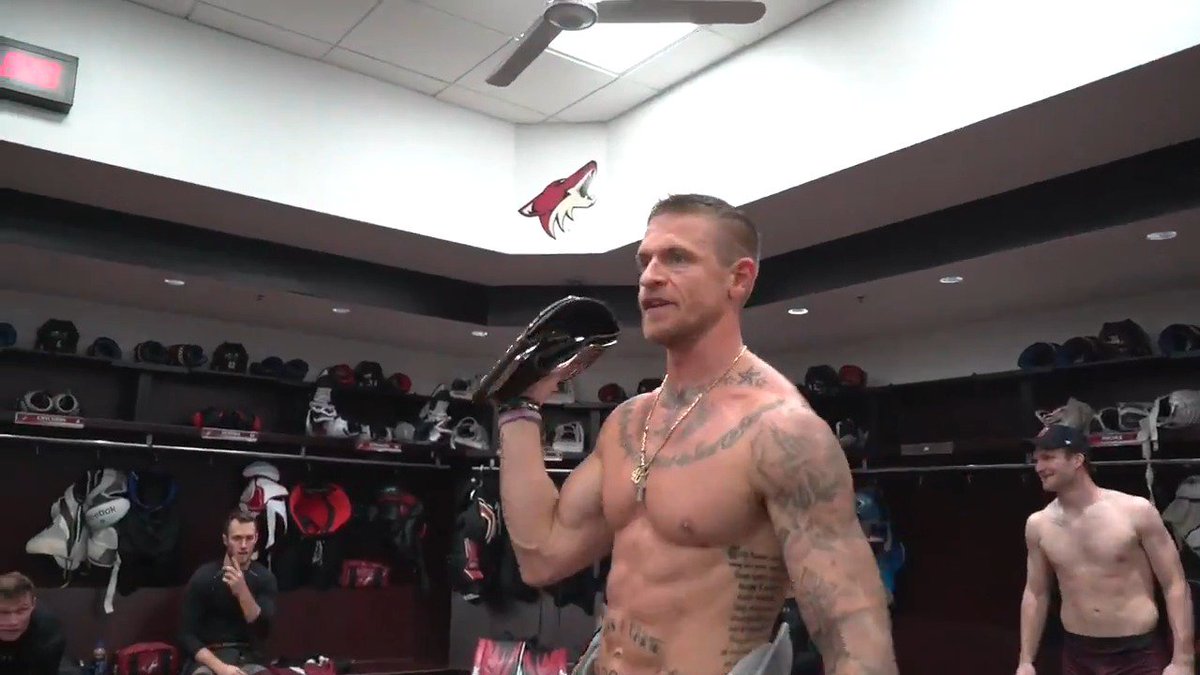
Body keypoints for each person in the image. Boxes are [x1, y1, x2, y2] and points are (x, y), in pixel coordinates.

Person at [494, 194, 897, 675]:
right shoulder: (627, 424)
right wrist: (519, 406)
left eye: (677, 258)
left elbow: (851, 628)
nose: (650, 276)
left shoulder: (781, 431)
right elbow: (542, 557)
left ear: (738, 279)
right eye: (645, 261)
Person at [1017, 424, 1194, 675]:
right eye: (1036, 460)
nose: (1038, 468)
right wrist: (1026, 661)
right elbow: (1036, 593)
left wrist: (1183, 660)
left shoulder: (1135, 511)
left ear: (1077, 460)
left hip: (1138, 655)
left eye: (1047, 458)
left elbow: (1174, 584)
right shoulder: (1038, 525)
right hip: (1078, 654)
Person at [179, 510, 278, 675]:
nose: (244, 545)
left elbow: (262, 630)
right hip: (209, 657)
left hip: (248, 657)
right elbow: (186, 636)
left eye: (249, 538)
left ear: (256, 538)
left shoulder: (264, 578)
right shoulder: (204, 576)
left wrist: (242, 591)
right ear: (225, 540)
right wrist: (222, 668)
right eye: (237, 538)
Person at [0, 572, 66, 675]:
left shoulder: (48, 632)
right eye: (3, 612)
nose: (13, 622)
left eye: (22, 610)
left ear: (33, 604)